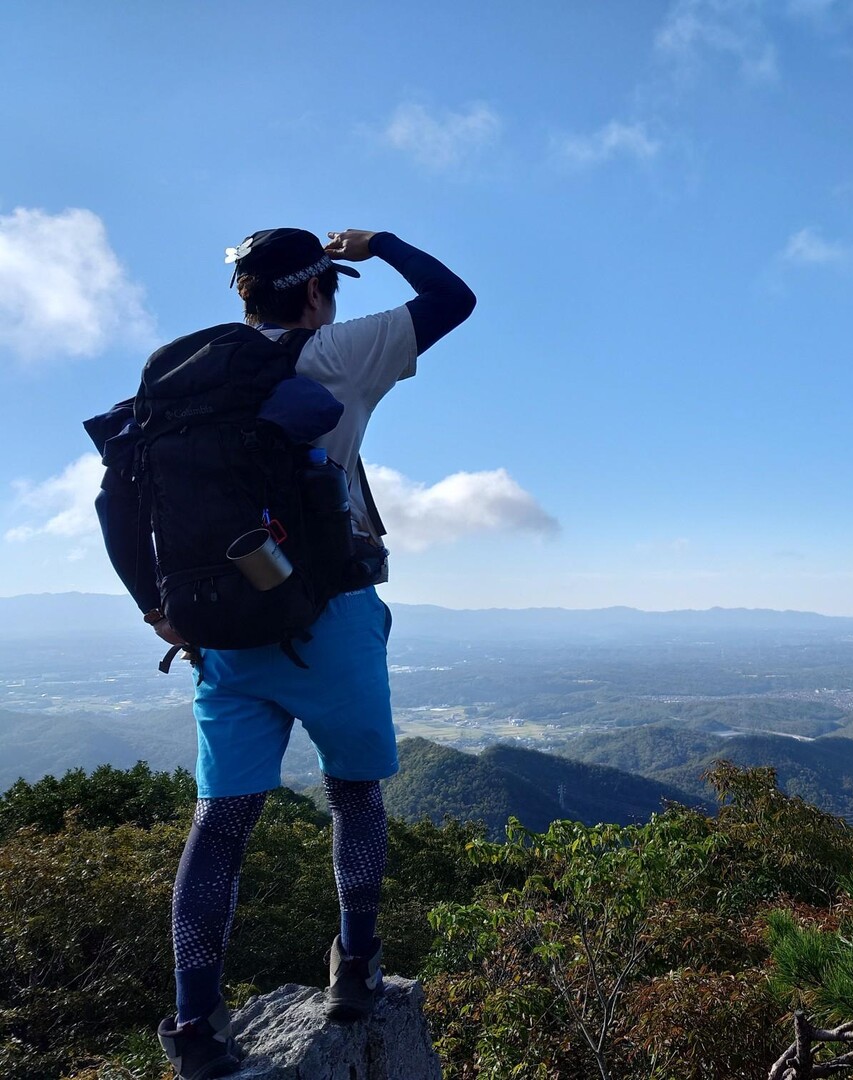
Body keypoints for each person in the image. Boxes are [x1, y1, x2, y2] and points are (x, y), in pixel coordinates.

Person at [94, 228, 474, 1079]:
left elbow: (115, 497)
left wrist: (156, 606)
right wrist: (384, 244)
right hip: (328, 615)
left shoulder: (180, 376)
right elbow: (453, 300)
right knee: (354, 797)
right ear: (313, 293)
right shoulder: (333, 352)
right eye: (329, 289)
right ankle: (356, 968)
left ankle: (195, 1025)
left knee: (220, 826)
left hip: (218, 632)